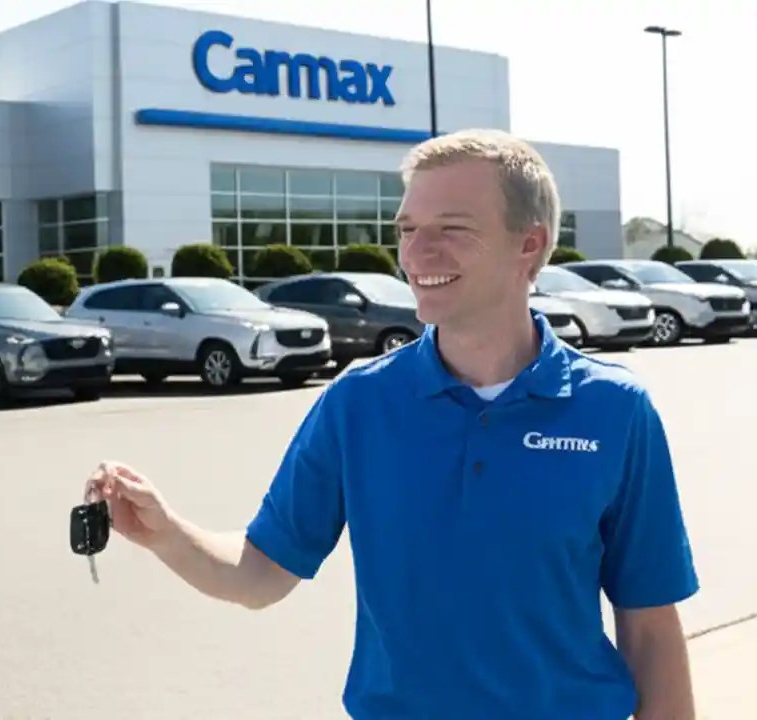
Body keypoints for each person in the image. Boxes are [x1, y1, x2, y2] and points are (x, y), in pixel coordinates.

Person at [87, 129, 699, 719]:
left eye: (451, 229)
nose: (416, 253)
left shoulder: (615, 410)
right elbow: (260, 573)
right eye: (408, 229)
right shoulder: (359, 403)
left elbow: (649, 627)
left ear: (530, 244)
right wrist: (166, 532)